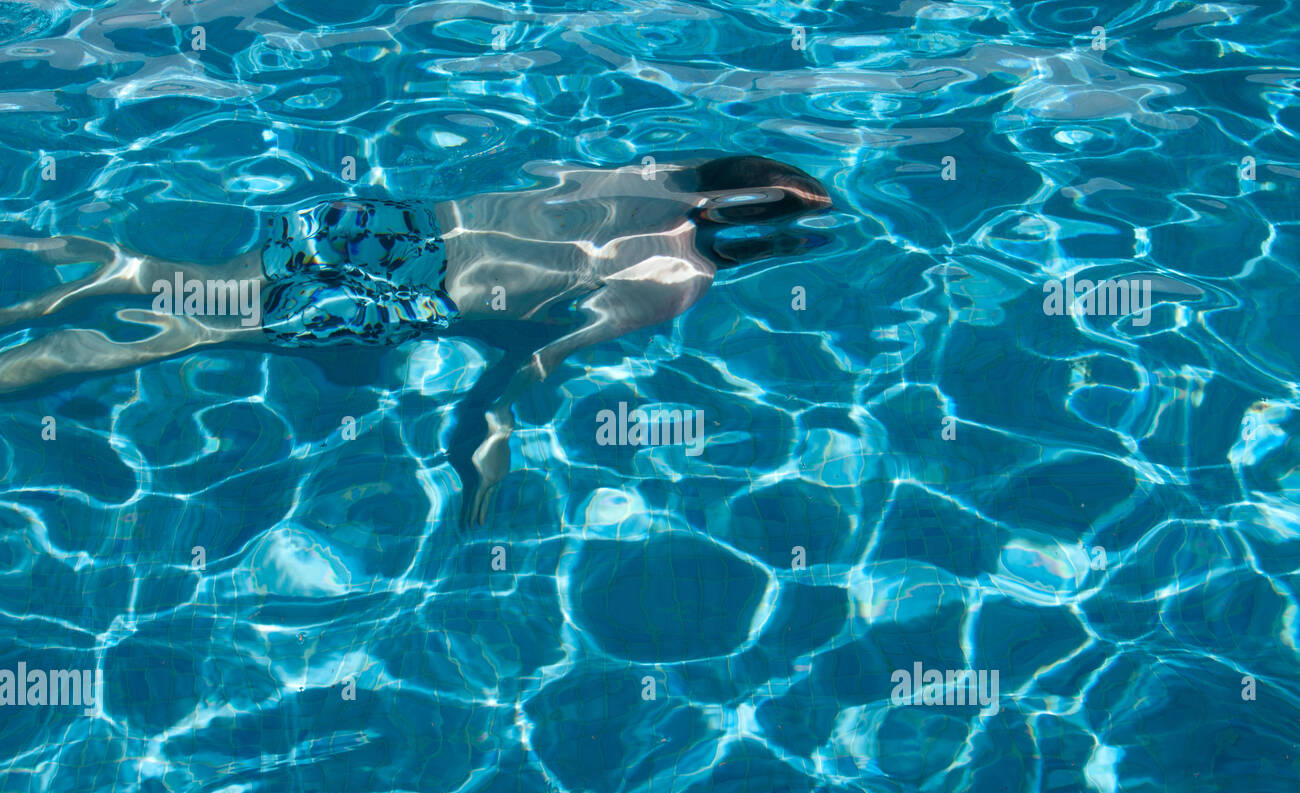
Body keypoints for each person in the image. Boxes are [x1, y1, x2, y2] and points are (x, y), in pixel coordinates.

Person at [0, 154, 832, 524]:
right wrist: (489, 442)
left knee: (179, 280)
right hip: (404, 298)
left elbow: (545, 177)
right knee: (177, 337)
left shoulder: (652, 170)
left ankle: (74, 278)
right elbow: (531, 362)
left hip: (387, 226)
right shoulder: (679, 280)